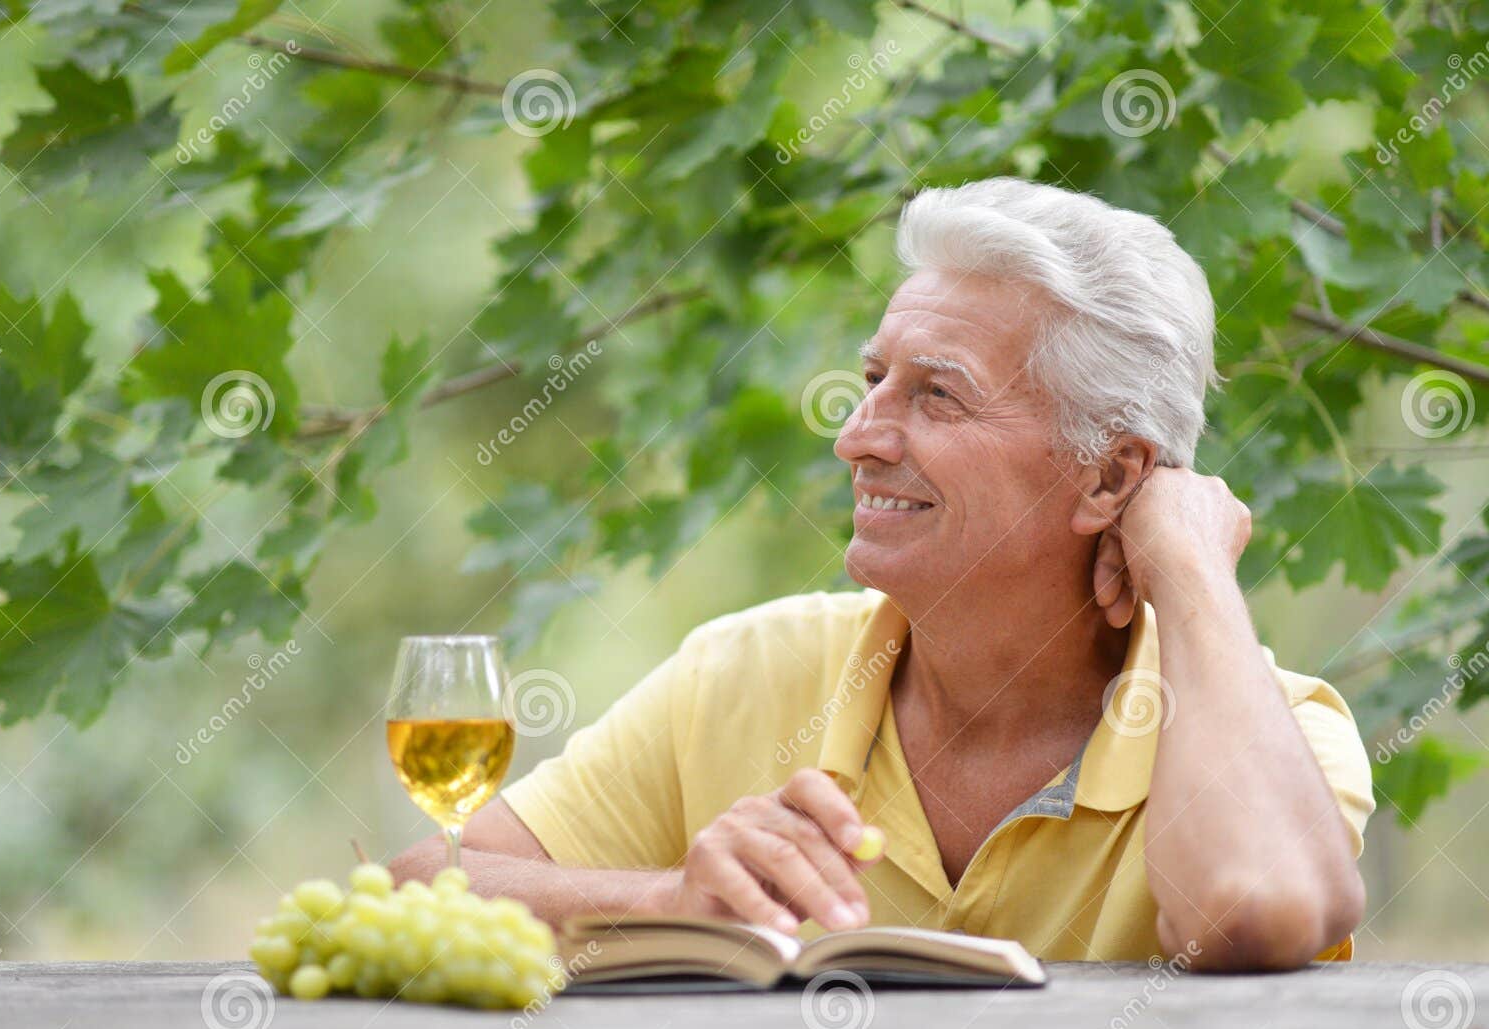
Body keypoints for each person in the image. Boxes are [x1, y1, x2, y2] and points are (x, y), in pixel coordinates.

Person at [393, 178, 1372, 971]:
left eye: (937, 396)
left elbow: (1252, 911)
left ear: (1111, 476)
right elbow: (416, 892)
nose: (855, 439)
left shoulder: (1280, 737)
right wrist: (666, 901)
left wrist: (1190, 565)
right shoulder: (743, 673)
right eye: (872, 383)